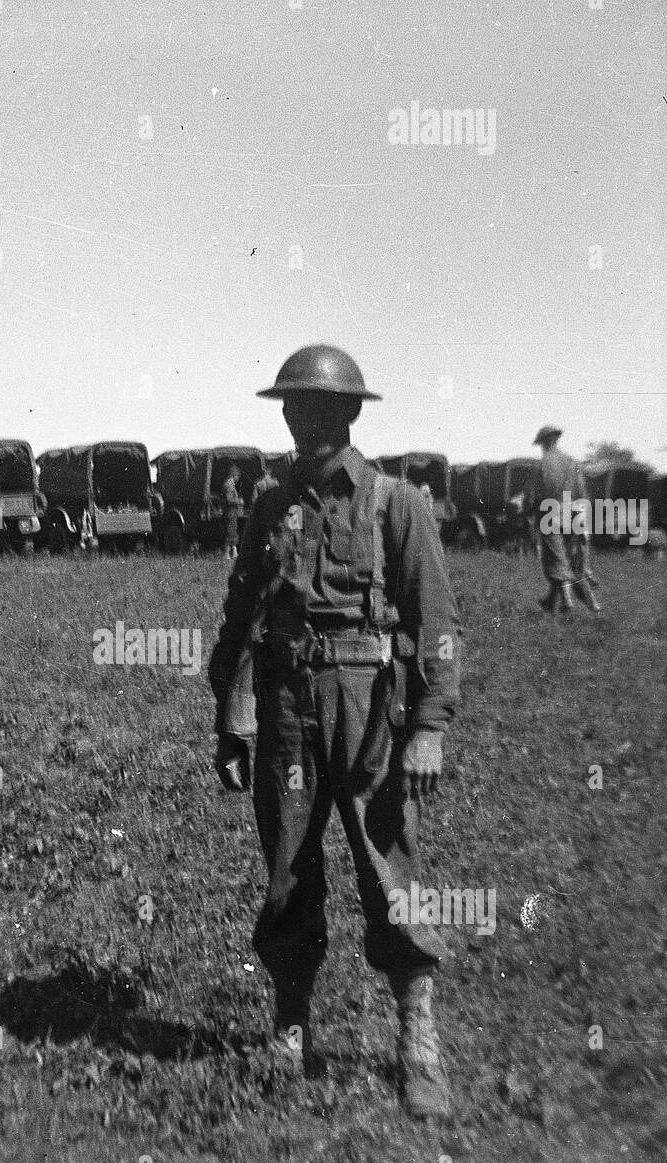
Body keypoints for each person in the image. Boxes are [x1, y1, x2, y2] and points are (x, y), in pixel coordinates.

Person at [208, 344, 462, 1120]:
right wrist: (231, 713)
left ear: (349, 415)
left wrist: (427, 727)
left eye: (318, 409)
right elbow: (240, 617)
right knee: (287, 869)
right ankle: (291, 1025)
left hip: (366, 709)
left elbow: (436, 625)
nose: (301, 421)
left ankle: (416, 1037)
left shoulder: (395, 503)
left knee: (387, 870)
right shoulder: (266, 505)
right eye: (292, 408)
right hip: (285, 707)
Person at [533, 426, 601, 613]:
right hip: (573, 510)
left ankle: (567, 601)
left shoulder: (543, 464)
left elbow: (537, 493)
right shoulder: (572, 462)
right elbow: (582, 492)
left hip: (550, 511)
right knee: (571, 559)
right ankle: (551, 602)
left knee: (554, 558)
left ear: (545, 443)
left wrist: (530, 510)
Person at [222, 465, 243, 559]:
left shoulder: (229, 484)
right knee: (231, 531)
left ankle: (233, 553)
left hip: (231, 511)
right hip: (231, 511)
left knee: (232, 531)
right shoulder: (229, 485)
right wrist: (239, 501)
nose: (238, 479)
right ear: (234, 475)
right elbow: (229, 499)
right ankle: (227, 554)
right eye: (237, 476)